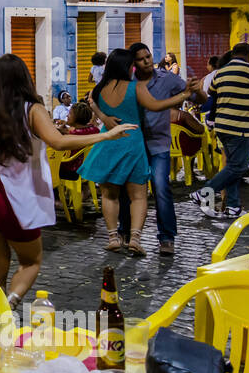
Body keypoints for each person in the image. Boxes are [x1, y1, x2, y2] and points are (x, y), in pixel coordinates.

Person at [0, 55, 136, 307]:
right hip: (14, 197)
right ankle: (8, 307)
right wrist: (105, 136)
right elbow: (58, 141)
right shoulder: (32, 109)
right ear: (25, 78)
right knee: (30, 262)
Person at [80, 48, 192, 257]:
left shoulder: (100, 88)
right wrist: (184, 95)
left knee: (109, 194)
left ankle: (114, 238)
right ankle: (135, 239)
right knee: (138, 196)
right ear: (126, 66)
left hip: (108, 141)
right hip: (132, 142)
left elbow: (91, 103)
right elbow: (156, 106)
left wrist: (104, 117)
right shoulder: (136, 87)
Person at [103, 43, 206, 256]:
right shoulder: (126, 83)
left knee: (161, 188)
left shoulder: (167, 79)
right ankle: (125, 233)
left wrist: (197, 91)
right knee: (125, 190)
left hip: (158, 144)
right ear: (133, 63)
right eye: (141, 59)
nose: (147, 61)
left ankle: (167, 237)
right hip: (132, 145)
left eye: (148, 56)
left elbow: (200, 99)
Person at [192, 42, 249, 221]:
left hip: (222, 126)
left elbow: (212, 93)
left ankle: (233, 207)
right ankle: (203, 194)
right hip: (241, 126)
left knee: (231, 166)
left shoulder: (220, 73)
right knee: (238, 166)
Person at [58, 102, 100, 182]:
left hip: (73, 171)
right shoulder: (95, 130)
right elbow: (81, 131)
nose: (67, 116)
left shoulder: (73, 135)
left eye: (70, 114)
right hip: (89, 168)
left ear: (77, 117)